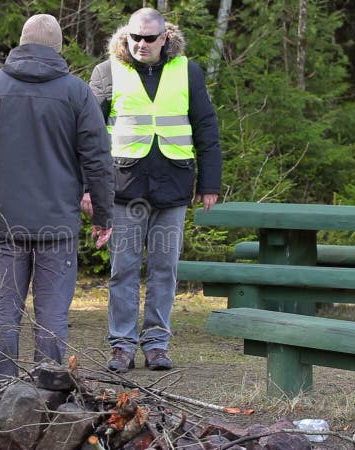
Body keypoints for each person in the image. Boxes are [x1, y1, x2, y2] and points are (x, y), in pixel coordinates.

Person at [0, 14, 114, 404]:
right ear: (58, 49)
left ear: (21, 42)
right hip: (57, 225)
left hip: (6, 221)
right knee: (51, 315)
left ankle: (1, 397)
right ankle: (48, 400)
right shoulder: (76, 92)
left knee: (6, 310)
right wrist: (104, 216)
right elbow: (98, 158)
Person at [86, 8, 222, 372]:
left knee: (165, 270)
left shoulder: (187, 71)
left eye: (149, 38)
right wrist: (87, 188)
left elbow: (206, 128)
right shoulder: (106, 72)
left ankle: (157, 344)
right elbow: (86, 136)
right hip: (123, 190)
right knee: (123, 270)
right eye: (135, 37)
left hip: (174, 187)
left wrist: (209, 184)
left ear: (165, 38)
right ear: (126, 36)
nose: (141, 44)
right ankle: (122, 346)